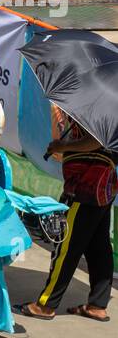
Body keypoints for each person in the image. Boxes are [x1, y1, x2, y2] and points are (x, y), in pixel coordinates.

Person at [21, 114, 116, 323]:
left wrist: (61, 146)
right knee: (98, 247)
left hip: (86, 185)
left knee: (67, 246)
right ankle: (97, 305)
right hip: (101, 186)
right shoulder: (105, 104)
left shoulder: (102, 108)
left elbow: (95, 141)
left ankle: (46, 305)